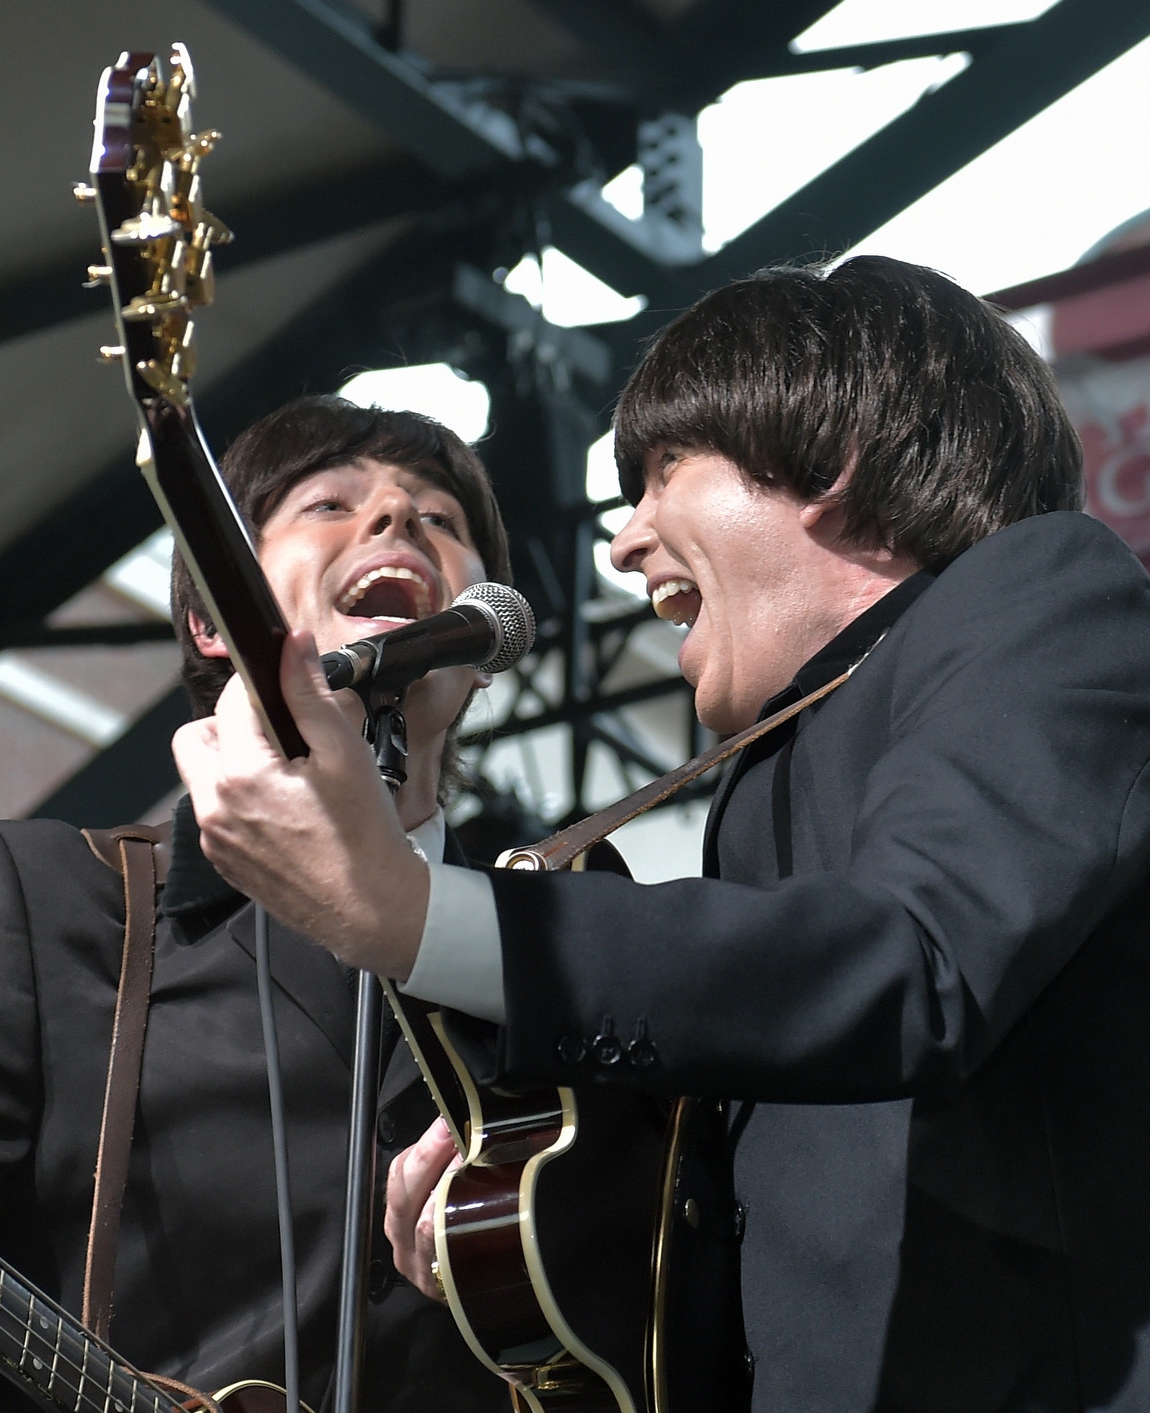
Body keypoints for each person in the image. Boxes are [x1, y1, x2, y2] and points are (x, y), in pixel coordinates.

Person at [175, 257, 1150, 1413]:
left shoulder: (1045, 591)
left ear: (825, 462)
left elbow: (909, 961)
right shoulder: (761, 786)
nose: (624, 544)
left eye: (658, 478)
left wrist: (409, 908)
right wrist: (540, 1155)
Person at [0, 396, 512, 1413]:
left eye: (443, 519)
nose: (394, 517)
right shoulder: (30, 902)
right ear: (213, 622)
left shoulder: (562, 958)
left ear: (480, 652)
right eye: (330, 502)